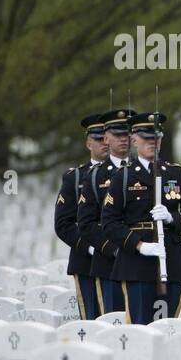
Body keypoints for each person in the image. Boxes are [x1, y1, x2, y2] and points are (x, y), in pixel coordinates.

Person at [100, 112, 181, 322]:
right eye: (146, 137)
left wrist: (171, 218)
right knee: (140, 325)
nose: (152, 142)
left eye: (155, 137)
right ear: (134, 139)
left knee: (169, 325)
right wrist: (139, 245)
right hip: (136, 264)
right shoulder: (123, 176)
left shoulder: (177, 174)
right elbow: (109, 222)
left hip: (170, 260)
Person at [76, 107, 134, 315]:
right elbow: (86, 223)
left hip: (141, 262)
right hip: (109, 261)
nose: (124, 139)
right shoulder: (94, 176)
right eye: (118, 134)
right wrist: (114, 249)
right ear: (106, 138)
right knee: (113, 321)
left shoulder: (145, 171)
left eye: (127, 134)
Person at [56, 113, 108, 319]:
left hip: (120, 258)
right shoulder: (75, 177)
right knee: (91, 319)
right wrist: (89, 246)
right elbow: (64, 223)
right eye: (98, 139)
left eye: (107, 138)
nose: (104, 143)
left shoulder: (127, 175)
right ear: (88, 143)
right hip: (87, 260)